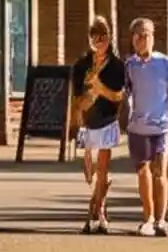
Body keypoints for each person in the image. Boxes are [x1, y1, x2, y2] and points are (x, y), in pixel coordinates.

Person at [123, 17, 168, 237]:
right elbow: (124, 92)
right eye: (139, 35)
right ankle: (147, 217)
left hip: (161, 125)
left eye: (147, 35)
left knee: (160, 171)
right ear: (133, 39)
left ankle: (161, 220)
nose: (143, 39)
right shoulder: (129, 66)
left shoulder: (166, 63)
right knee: (142, 172)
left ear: (153, 37)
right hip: (138, 126)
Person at [71, 16, 126, 235]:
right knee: (90, 174)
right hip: (87, 124)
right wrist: (83, 105)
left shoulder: (116, 66)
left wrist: (99, 88)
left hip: (107, 121)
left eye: (103, 35)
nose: (98, 40)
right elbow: (76, 99)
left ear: (109, 37)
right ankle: (98, 204)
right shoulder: (81, 65)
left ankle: (97, 213)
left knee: (101, 171)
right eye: (94, 35)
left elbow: (118, 96)